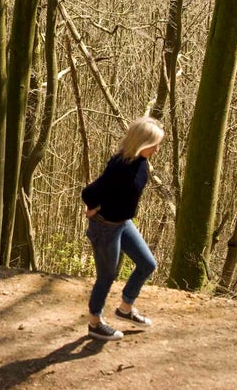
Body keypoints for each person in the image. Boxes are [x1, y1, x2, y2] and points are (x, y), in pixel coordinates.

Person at [80, 116, 164, 341]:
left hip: (123, 222)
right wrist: (94, 207)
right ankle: (95, 323)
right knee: (107, 276)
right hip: (105, 227)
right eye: (155, 144)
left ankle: (125, 307)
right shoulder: (120, 166)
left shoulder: (140, 162)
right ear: (143, 143)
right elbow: (89, 193)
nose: (157, 148)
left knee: (147, 264)